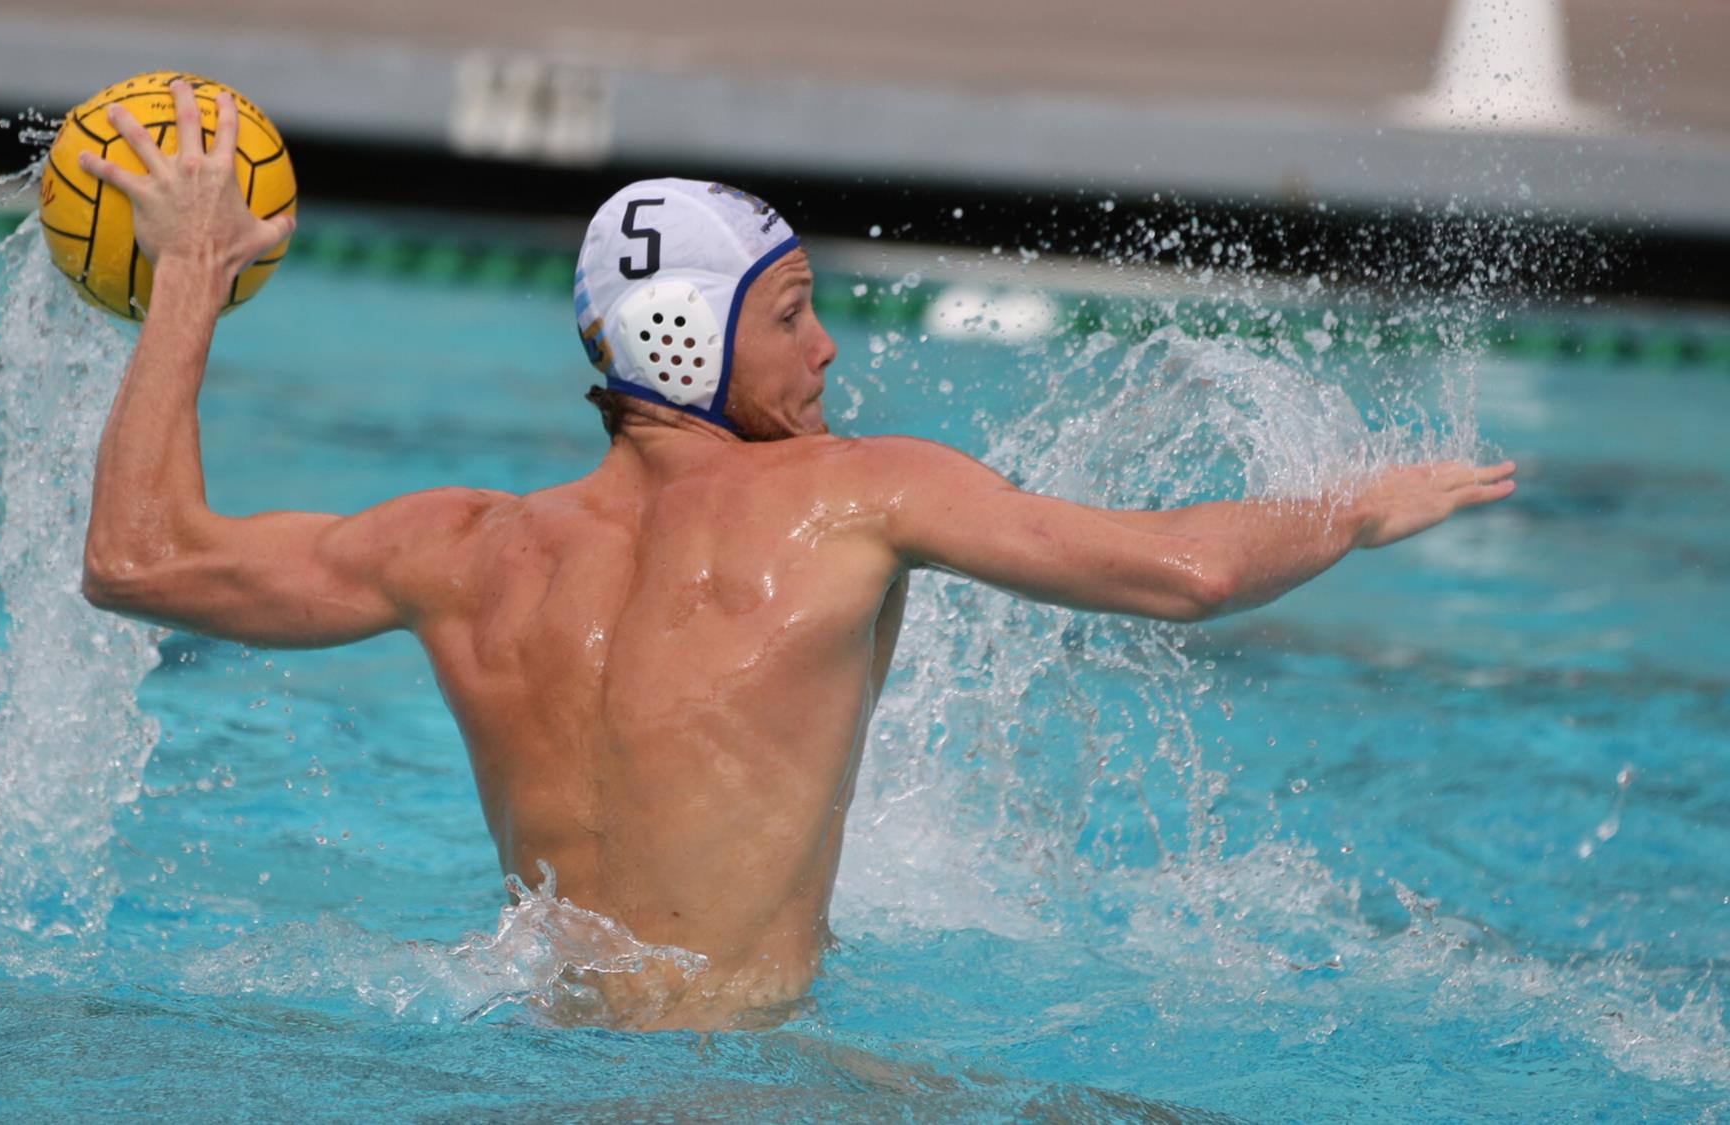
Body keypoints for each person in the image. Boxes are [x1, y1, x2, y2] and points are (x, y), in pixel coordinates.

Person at [76, 80, 1517, 1030]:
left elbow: (139, 557)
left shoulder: (463, 551)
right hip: (752, 1090)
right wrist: (1353, 508)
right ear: (683, 337)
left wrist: (187, 282)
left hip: (532, 1065)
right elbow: (1184, 570)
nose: (827, 347)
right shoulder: (856, 496)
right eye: (791, 312)